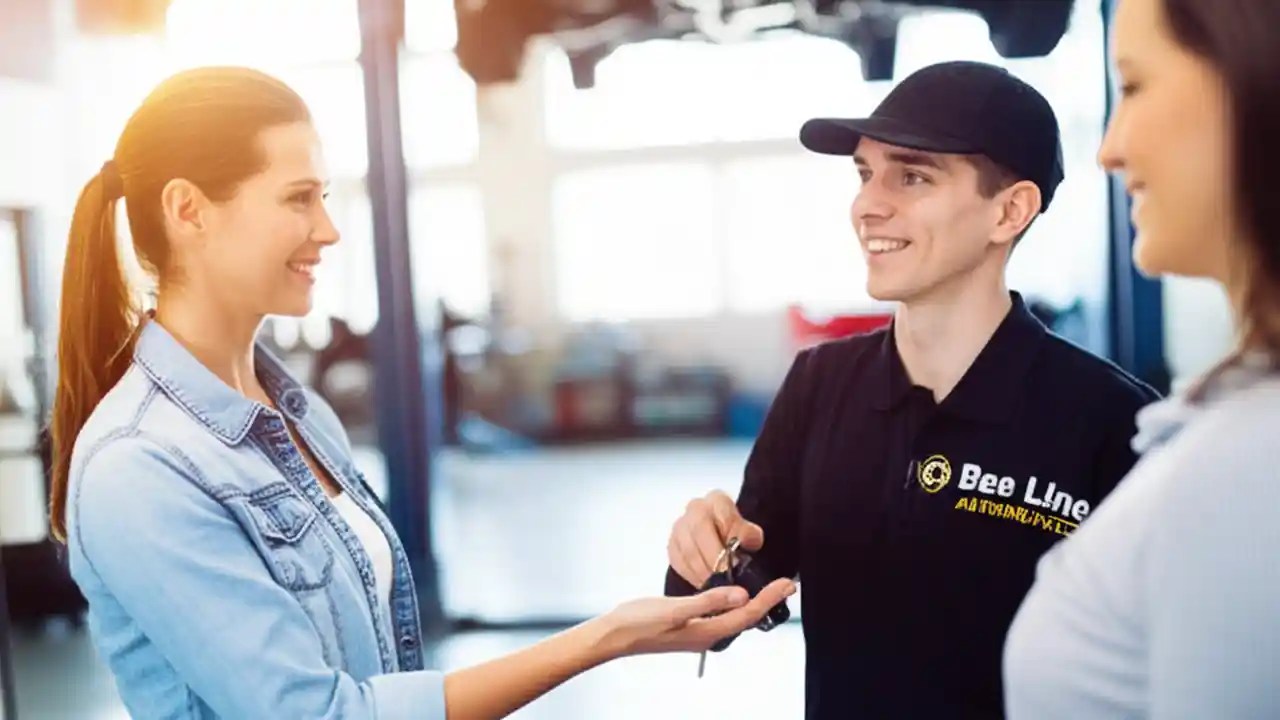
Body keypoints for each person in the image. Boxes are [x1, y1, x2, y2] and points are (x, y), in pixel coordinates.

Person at [49, 66, 795, 719]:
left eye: (325, 196)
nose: (329, 229)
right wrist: (606, 639)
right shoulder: (138, 467)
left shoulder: (296, 413)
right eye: (299, 198)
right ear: (189, 211)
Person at [664, 60, 1160, 718]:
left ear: (1009, 211)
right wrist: (698, 557)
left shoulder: (1113, 423)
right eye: (865, 174)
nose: (869, 204)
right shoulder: (820, 384)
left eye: (913, 176)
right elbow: (729, 598)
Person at [1004, 0, 1280, 716]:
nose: (1108, 150)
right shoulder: (1231, 426)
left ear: (1253, 77)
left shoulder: (1252, 457)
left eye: (1132, 86)